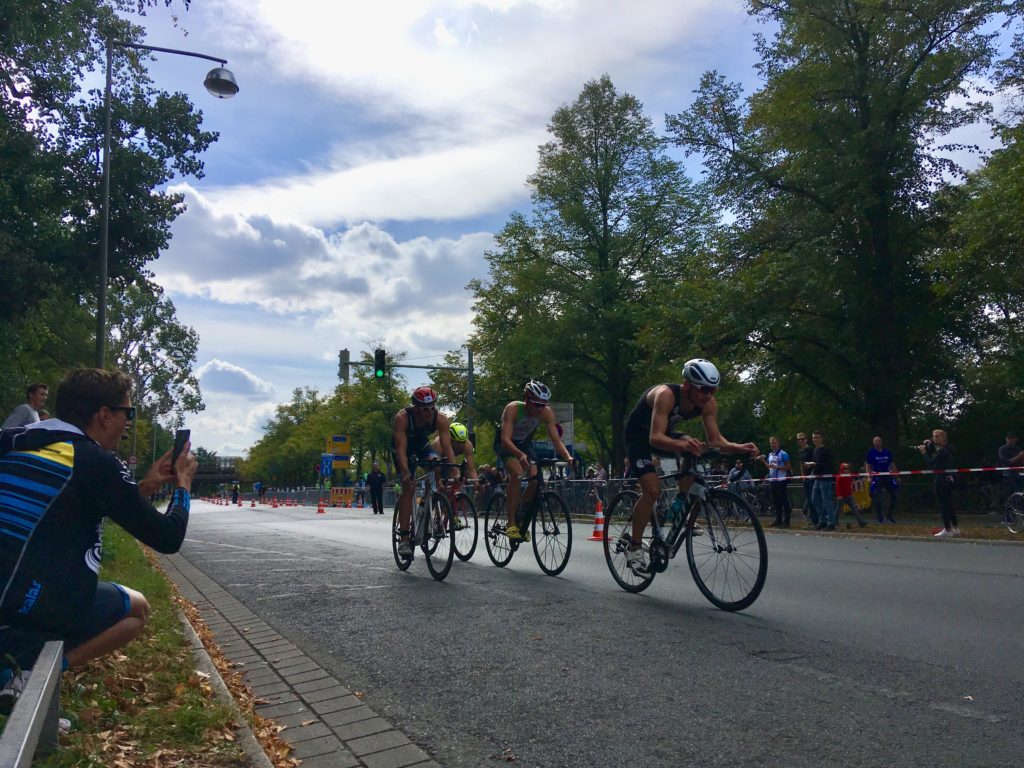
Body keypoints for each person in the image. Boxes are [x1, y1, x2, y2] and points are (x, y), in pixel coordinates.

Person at [0, 368, 197, 707]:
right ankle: (31, 677)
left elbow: (70, 503)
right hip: (24, 614)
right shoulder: (94, 461)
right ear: (104, 415)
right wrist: (183, 486)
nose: (129, 424)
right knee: (136, 609)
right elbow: (168, 538)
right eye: (128, 413)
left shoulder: (22, 441)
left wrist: (146, 486)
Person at [622, 359, 759, 575]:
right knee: (652, 491)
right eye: (704, 389)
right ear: (687, 385)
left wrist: (739, 448)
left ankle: (677, 508)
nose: (708, 395)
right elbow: (655, 437)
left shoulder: (709, 403)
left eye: (713, 390)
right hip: (640, 437)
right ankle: (635, 547)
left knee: (695, 451)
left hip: (665, 434)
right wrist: (682, 444)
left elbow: (715, 441)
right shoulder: (666, 395)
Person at [494, 380, 572, 542]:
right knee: (517, 474)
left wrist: (568, 457)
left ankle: (521, 510)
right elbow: (506, 440)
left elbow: (557, 441)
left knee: (536, 479)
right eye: (537, 405)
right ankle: (511, 523)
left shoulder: (546, 413)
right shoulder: (513, 409)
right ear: (527, 399)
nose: (540, 409)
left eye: (544, 405)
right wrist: (519, 455)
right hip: (506, 444)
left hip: (524, 444)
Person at [392, 386, 459, 559]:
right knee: (409, 487)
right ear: (416, 407)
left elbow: (447, 447)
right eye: (424, 409)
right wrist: (406, 472)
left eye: (432, 408)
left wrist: (454, 469)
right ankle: (404, 538)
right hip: (403, 450)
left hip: (421, 446)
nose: (429, 412)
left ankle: (432, 496)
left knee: (437, 463)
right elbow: (400, 449)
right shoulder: (402, 418)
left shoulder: (441, 419)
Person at [919, 429, 960, 537]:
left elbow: (931, 463)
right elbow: (935, 454)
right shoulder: (948, 449)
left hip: (942, 479)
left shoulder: (943, 451)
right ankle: (955, 527)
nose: (934, 438)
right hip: (949, 478)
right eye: (933, 436)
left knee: (943, 505)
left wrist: (923, 453)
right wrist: (929, 446)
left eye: (937, 436)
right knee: (949, 504)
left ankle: (947, 529)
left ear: (943, 438)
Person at [757, 435, 793, 527]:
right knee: (776, 501)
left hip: (781, 480)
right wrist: (763, 461)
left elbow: (788, 467)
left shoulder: (783, 454)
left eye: (774, 442)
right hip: (773, 481)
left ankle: (787, 521)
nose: (773, 444)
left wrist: (777, 467)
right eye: (771, 443)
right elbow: (769, 467)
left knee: (784, 501)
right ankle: (778, 520)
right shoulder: (770, 455)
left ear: (778, 443)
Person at [864, 435, 899, 523]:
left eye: (879, 440)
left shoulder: (887, 452)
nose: (877, 442)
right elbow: (868, 465)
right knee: (877, 498)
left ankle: (889, 515)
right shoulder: (871, 452)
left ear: (881, 442)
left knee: (894, 495)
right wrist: (869, 476)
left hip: (887, 476)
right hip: (876, 477)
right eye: (875, 441)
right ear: (873, 443)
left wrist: (896, 475)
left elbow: (891, 464)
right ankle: (880, 518)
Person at [808, 430, 836, 531]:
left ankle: (831, 522)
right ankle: (822, 520)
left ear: (821, 438)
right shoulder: (815, 450)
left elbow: (829, 465)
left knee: (826, 500)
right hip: (817, 478)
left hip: (826, 478)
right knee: (815, 499)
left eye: (817, 437)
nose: (815, 439)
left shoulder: (827, 450)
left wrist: (815, 465)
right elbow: (815, 464)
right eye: (814, 437)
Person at [834, 462, 868, 527]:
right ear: (842, 469)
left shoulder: (849, 475)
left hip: (849, 495)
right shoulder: (839, 476)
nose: (847, 470)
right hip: (841, 497)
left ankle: (861, 522)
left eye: (848, 468)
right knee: (838, 510)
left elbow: (851, 483)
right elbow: (837, 487)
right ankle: (834, 521)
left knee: (854, 509)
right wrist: (839, 495)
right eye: (845, 469)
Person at [796, 432, 817, 528]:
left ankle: (816, 520)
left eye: (802, 439)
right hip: (806, 478)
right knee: (808, 499)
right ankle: (812, 520)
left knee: (813, 499)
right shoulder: (800, 451)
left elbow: (815, 462)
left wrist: (812, 472)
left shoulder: (811, 450)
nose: (800, 441)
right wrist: (802, 476)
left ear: (806, 440)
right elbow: (801, 464)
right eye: (799, 440)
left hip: (812, 477)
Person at [998, 431, 1024, 505]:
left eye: (1013, 438)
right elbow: (1007, 462)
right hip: (1008, 475)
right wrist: (1019, 456)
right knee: (1010, 494)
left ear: (1016, 439)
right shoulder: (1003, 449)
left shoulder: (1018, 449)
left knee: (1020, 494)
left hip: (1019, 475)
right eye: (1009, 438)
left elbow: (1021, 462)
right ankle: (1008, 512)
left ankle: (1019, 510)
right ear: (1006, 439)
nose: (1011, 440)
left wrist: (1021, 458)